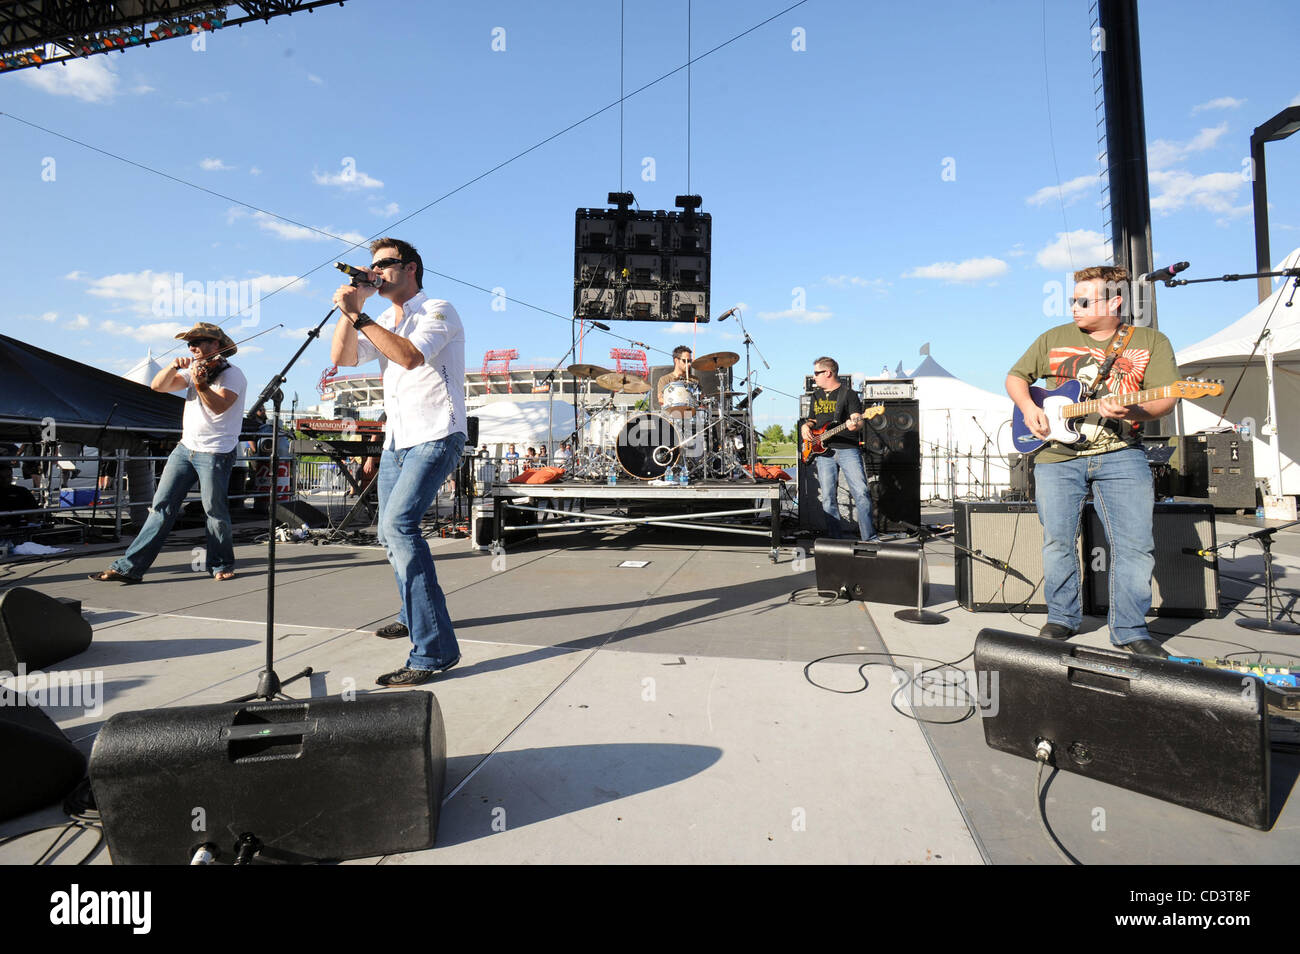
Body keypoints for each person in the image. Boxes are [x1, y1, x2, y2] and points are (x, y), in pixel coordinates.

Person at [1006, 264, 1178, 658]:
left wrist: (1139, 413)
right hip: (1055, 455)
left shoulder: (1151, 340)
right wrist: (1027, 408)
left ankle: (1131, 629)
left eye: (1084, 300)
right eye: (1072, 299)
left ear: (1115, 301)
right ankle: (1062, 618)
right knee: (1058, 542)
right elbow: (1016, 376)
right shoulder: (1054, 337)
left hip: (1122, 454)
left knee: (1135, 545)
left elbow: (1166, 398)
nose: (1074, 306)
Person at [331, 237, 467, 687]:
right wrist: (348, 313)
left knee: (399, 528)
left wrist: (361, 313)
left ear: (410, 268)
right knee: (388, 536)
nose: (375, 272)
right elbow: (343, 357)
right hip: (397, 441)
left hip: (436, 434)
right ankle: (412, 617)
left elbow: (409, 357)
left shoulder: (438, 309)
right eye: (373, 266)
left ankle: (434, 651)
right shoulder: (387, 318)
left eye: (384, 265)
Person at [90, 322, 246, 584]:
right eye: (189, 343)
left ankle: (220, 564)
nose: (192, 347)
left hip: (216, 451)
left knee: (214, 511)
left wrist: (201, 385)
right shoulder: (196, 369)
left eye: (198, 342)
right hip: (185, 448)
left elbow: (220, 406)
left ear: (216, 345)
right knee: (161, 507)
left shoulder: (232, 374)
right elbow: (158, 386)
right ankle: (130, 567)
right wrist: (174, 366)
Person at [799, 357, 876, 542]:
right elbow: (814, 419)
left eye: (816, 373)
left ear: (828, 373)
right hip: (823, 452)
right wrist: (805, 426)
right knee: (827, 497)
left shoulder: (848, 394)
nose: (814, 377)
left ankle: (870, 538)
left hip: (847, 449)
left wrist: (855, 424)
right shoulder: (816, 396)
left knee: (861, 493)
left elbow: (857, 420)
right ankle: (835, 540)